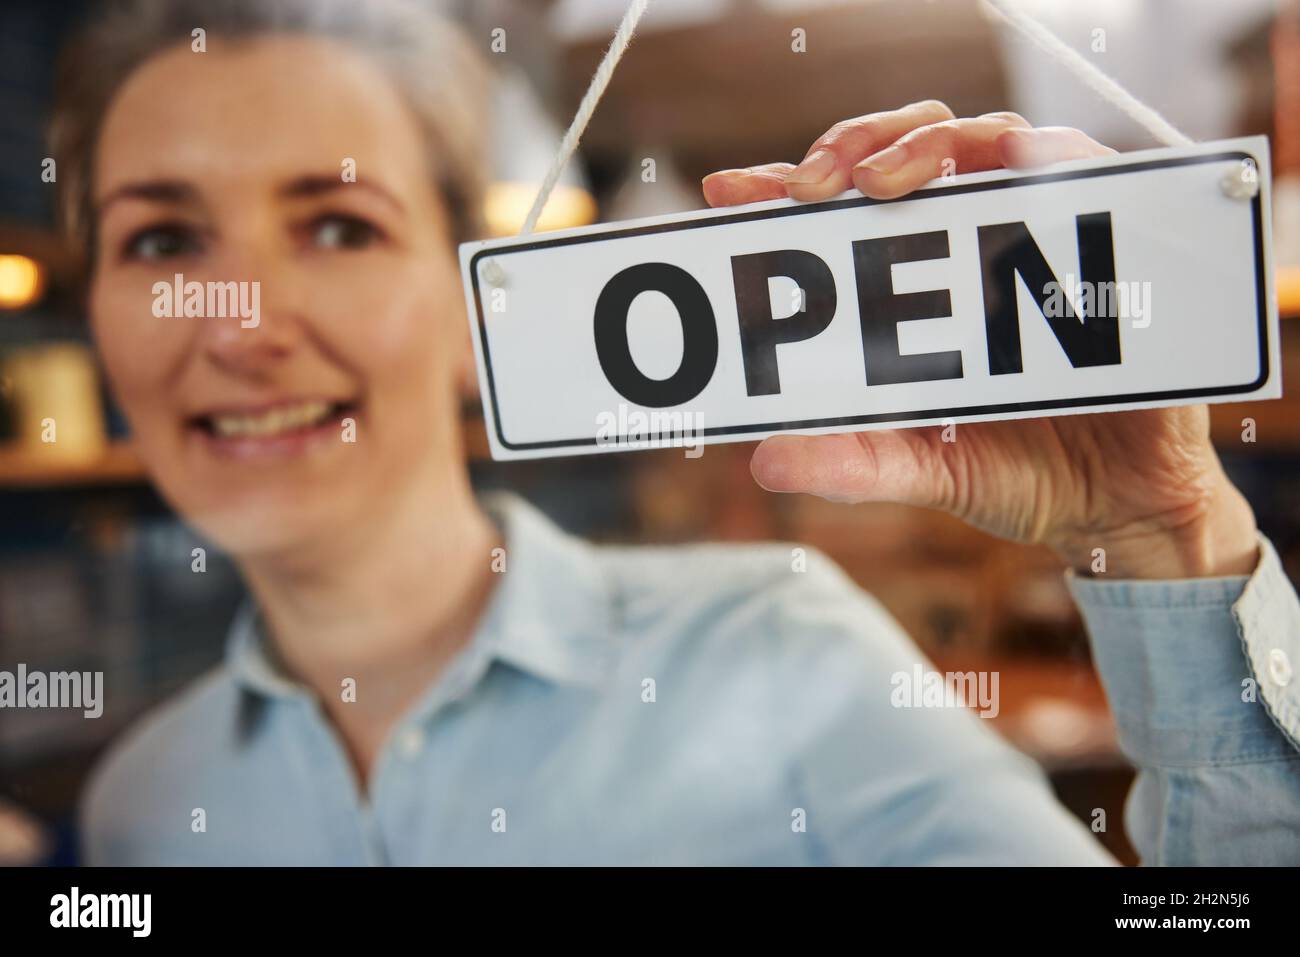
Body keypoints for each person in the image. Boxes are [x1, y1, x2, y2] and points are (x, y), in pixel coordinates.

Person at [57, 0, 1298, 865]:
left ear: (467, 301)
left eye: (337, 227)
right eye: (162, 241)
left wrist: (1164, 534)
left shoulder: (781, 655)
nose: (244, 325)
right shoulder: (142, 811)